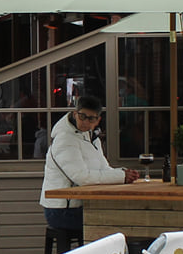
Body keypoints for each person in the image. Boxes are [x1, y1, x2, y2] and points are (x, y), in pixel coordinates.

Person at [40, 94, 142, 242]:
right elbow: (82, 177)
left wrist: (123, 173)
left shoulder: (91, 137)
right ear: (75, 114)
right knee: (117, 221)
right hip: (61, 210)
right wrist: (121, 176)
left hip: (80, 206)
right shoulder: (65, 139)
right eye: (82, 116)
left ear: (98, 120)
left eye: (91, 118)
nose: (86, 122)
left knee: (123, 216)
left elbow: (104, 169)